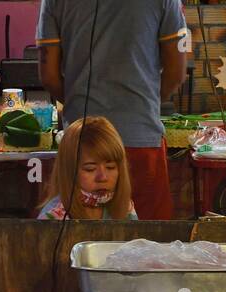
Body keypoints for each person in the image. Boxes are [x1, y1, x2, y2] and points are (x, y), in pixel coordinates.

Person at [37, 0, 186, 221]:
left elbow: (48, 75)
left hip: (82, 143)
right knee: (151, 242)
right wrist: (143, 104)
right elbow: (176, 72)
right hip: (141, 136)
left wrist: (80, 103)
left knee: (75, 243)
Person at [37, 117, 136, 221]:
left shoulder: (125, 207)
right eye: (90, 169)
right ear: (69, 172)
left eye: (110, 167)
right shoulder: (53, 218)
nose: (102, 177)